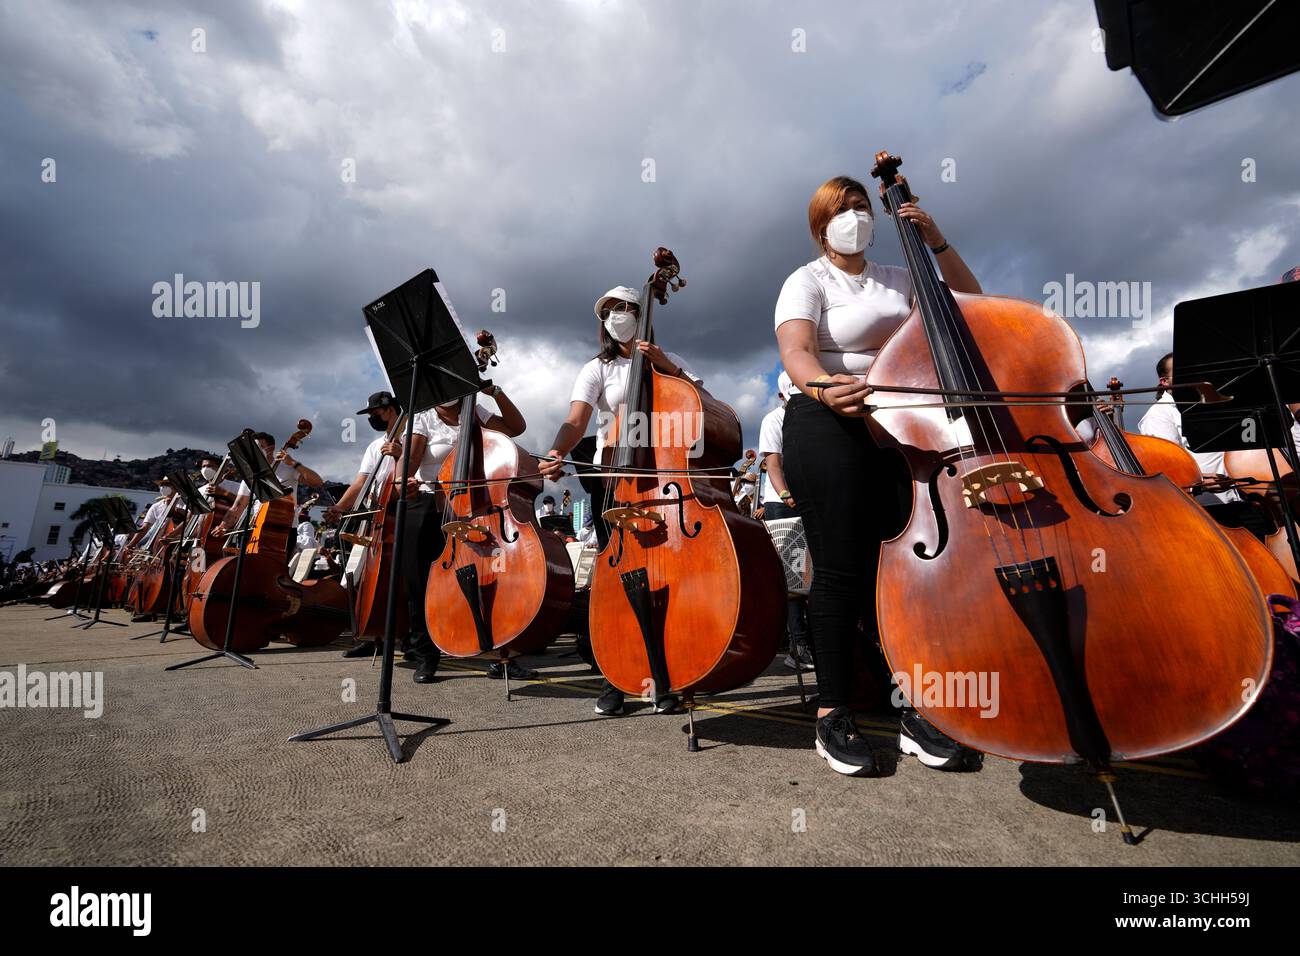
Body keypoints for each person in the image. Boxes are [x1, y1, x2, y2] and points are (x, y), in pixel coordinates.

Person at [775, 174, 984, 776]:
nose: (857, 217)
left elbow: (970, 305)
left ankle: (914, 708)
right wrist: (822, 386)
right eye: (843, 210)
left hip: (901, 421)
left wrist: (935, 239)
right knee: (840, 568)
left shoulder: (900, 276)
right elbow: (797, 350)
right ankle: (833, 712)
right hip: (826, 417)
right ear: (822, 227)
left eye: (863, 207)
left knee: (908, 568)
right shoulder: (807, 279)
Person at [538, 284, 703, 717]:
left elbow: (705, 405)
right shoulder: (597, 369)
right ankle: (616, 674)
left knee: (668, 578)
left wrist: (667, 367)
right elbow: (576, 420)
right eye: (610, 310)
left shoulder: (668, 362)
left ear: (642, 312)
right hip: (613, 477)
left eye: (626, 307)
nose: (618, 314)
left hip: (664, 480)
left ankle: (669, 670)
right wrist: (557, 451)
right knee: (619, 579)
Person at [401, 384, 528, 683]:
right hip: (432, 505)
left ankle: (500, 655)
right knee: (419, 582)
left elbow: (515, 428)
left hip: (475, 508)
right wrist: (404, 477)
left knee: (492, 578)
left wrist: (494, 392)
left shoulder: (474, 410)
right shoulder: (422, 418)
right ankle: (426, 657)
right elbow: (412, 461)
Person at [1138, 351, 1274, 537]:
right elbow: (1168, 466)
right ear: (1165, 381)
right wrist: (1200, 482)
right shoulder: (1159, 415)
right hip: (1209, 508)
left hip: (1243, 499)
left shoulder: (1208, 406)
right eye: (1181, 372)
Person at [325, 391, 404, 659]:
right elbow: (360, 482)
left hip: (398, 511)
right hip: (374, 515)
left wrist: (400, 455)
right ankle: (369, 633)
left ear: (391, 409)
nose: (372, 418)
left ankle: (403, 635)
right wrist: (339, 508)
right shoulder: (374, 446)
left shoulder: (411, 438)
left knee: (399, 577)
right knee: (363, 574)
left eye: (375, 413)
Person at [758, 371, 814, 672]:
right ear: (782, 398)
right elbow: (773, 464)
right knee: (795, 577)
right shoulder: (772, 420)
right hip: (783, 504)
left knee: (816, 574)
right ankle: (798, 644)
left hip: (809, 499)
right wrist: (786, 494)